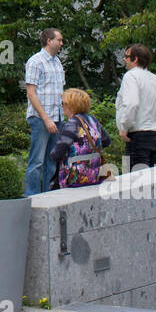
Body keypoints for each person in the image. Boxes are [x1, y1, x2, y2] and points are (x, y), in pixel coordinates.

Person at [115, 44, 156, 170]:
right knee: (150, 179)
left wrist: (124, 126)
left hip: (138, 136)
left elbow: (131, 103)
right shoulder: (155, 79)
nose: (124, 60)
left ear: (135, 59)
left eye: (126, 56)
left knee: (135, 181)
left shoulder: (131, 76)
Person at [23, 29, 66, 196]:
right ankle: (32, 197)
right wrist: (46, 118)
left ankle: (49, 195)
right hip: (41, 119)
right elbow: (31, 93)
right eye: (59, 40)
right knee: (37, 161)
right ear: (49, 41)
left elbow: (60, 92)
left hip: (57, 118)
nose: (62, 43)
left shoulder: (57, 63)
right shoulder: (35, 61)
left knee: (53, 160)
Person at [51, 89, 111, 189]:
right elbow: (106, 141)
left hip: (75, 178)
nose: (62, 106)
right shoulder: (93, 120)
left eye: (63, 103)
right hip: (95, 175)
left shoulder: (72, 124)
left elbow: (56, 154)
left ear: (70, 105)